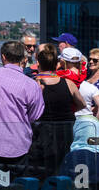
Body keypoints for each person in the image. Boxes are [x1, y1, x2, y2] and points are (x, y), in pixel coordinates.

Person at [0, 40, 45, 178]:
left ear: (3, 57)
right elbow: (35, 115)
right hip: (18, 144)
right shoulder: (32, 85)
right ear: (23, 59)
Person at [25, 43, 85, 178]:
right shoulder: (68, 83)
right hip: (64, 135)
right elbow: (82, 104)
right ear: (57, 64)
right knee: (60, 172)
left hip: (40, 135)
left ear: (38, 63)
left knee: (38, 173)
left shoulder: (34, 84)